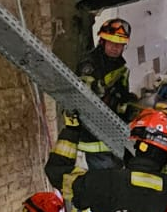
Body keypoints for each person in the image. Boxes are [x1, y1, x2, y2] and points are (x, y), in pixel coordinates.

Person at [46, 18, 138, 197]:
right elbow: (87, 97)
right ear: (102, 41)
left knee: (117, 180)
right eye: (112, 43)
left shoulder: (123, 67)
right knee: (106, 187)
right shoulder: (89, 64)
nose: (115, 48)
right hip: (94, 137)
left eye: (120, 44)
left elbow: (123, 95)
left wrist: (128, 107)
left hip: (114, 134)